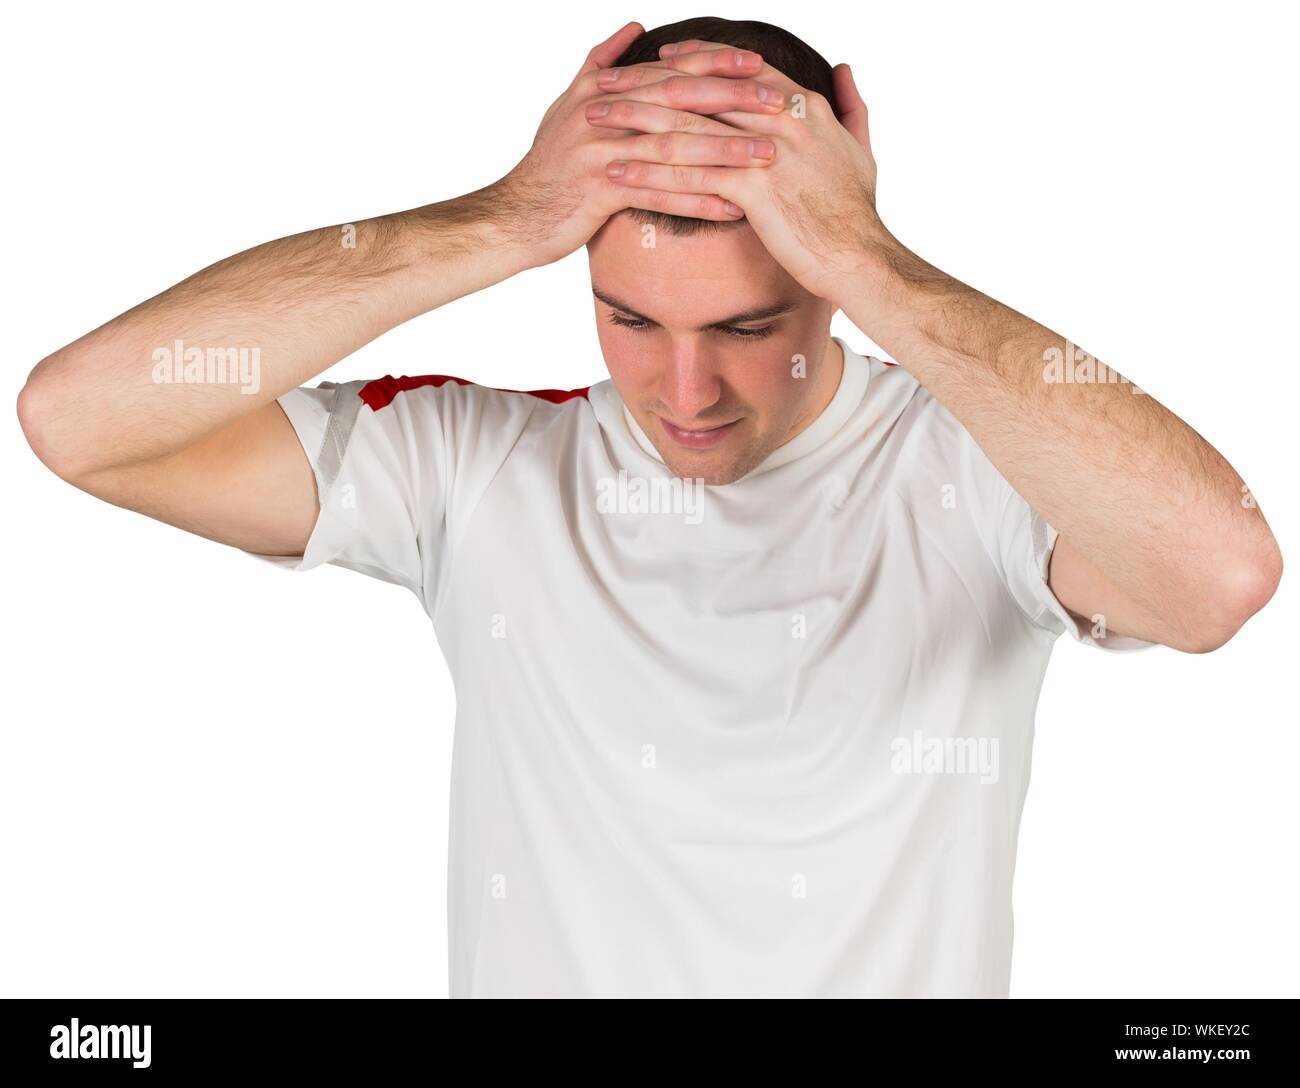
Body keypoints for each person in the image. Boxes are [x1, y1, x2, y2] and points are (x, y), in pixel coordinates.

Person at [16, 17, 1282, 997]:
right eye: (629, 317)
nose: (686, 392)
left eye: (747, 325)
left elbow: (1215, 577)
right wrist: (500, 218)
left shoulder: (983, 467)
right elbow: (80, 419)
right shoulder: (471, 461)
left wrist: (874, 257)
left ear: (833, 278)